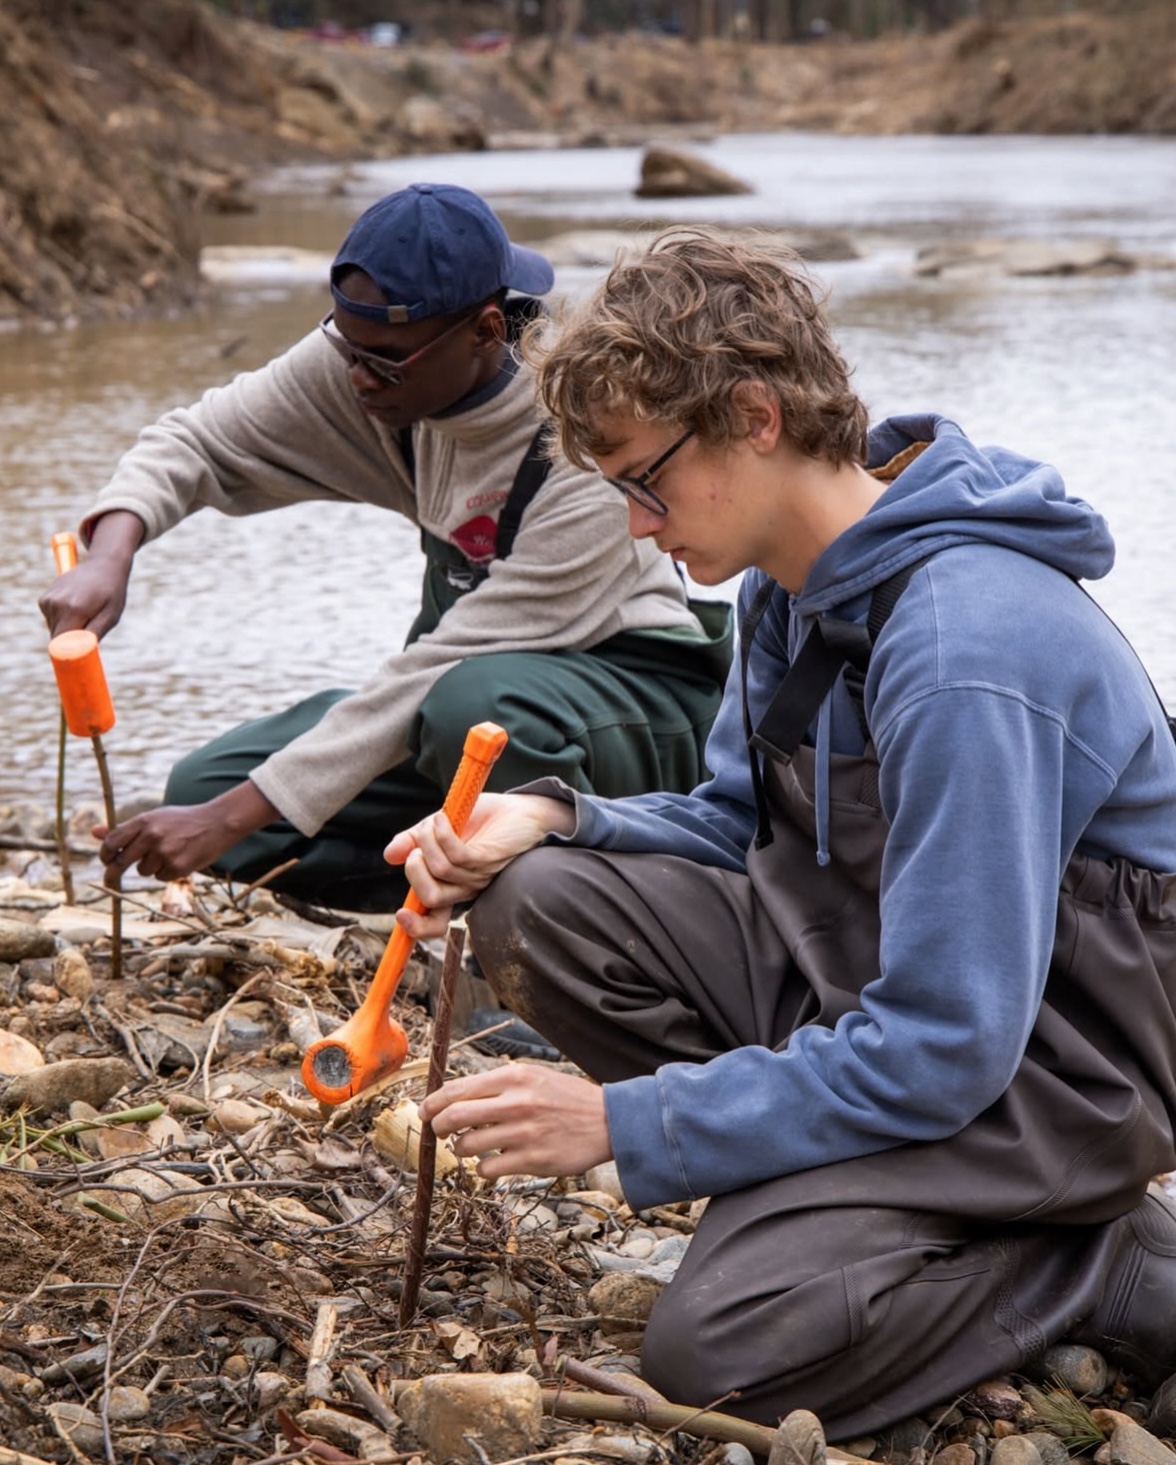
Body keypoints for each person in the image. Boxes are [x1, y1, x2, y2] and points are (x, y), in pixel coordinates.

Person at [388, 229, 1176, 1434]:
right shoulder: (788, 585)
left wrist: (627, 1125)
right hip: (895, 993)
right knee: (541, 901)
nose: (642, 527)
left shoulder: (967, 645)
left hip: (1062, 1070)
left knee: (725, 1350)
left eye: (648, 482)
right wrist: (555, 812)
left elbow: (951, 1042)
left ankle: (1101, 1257)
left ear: (755, 414)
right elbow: (733, 824)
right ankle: (857, 1192)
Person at [39, 185, 732, 912]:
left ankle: (559, 921)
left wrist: (228, 819)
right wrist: (112, 551)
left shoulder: (582, 447)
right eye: (347, 349)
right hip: (453, 707)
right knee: (205, 790)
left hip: (629, 711)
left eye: (387, 363)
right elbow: (196, 440)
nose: (359, 379)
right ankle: (449, 891)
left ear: (486, 331)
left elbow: (442, 662)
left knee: (474, 709)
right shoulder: (378, 367)